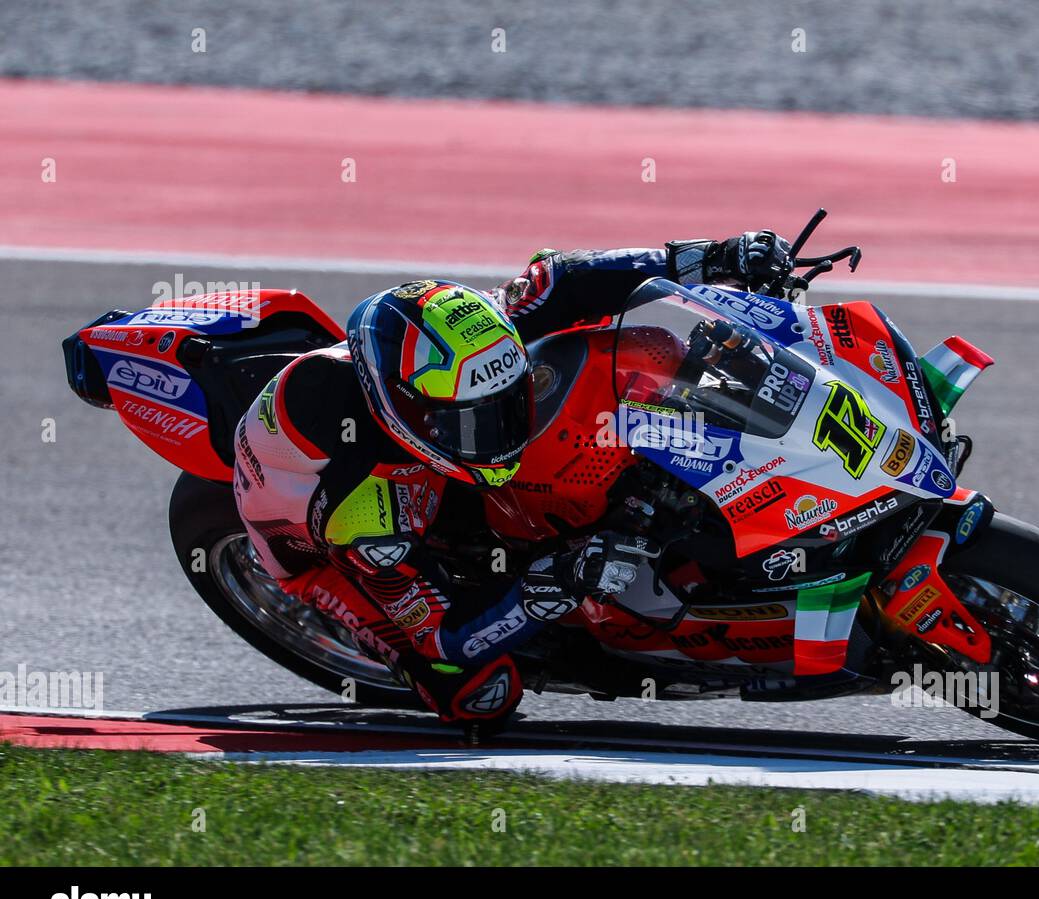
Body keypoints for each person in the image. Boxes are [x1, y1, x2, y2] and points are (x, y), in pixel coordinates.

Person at [232, 231, 793, 732]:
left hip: (393, 457)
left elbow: (564, 280)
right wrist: (549, 586)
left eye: (506, 404)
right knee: (478, 695)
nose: (501, 433)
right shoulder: (371, 516)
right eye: (475, 422)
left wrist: (716, 257)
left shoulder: (479, 342)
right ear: (408, 414)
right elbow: (446, 635)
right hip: (318, 549)